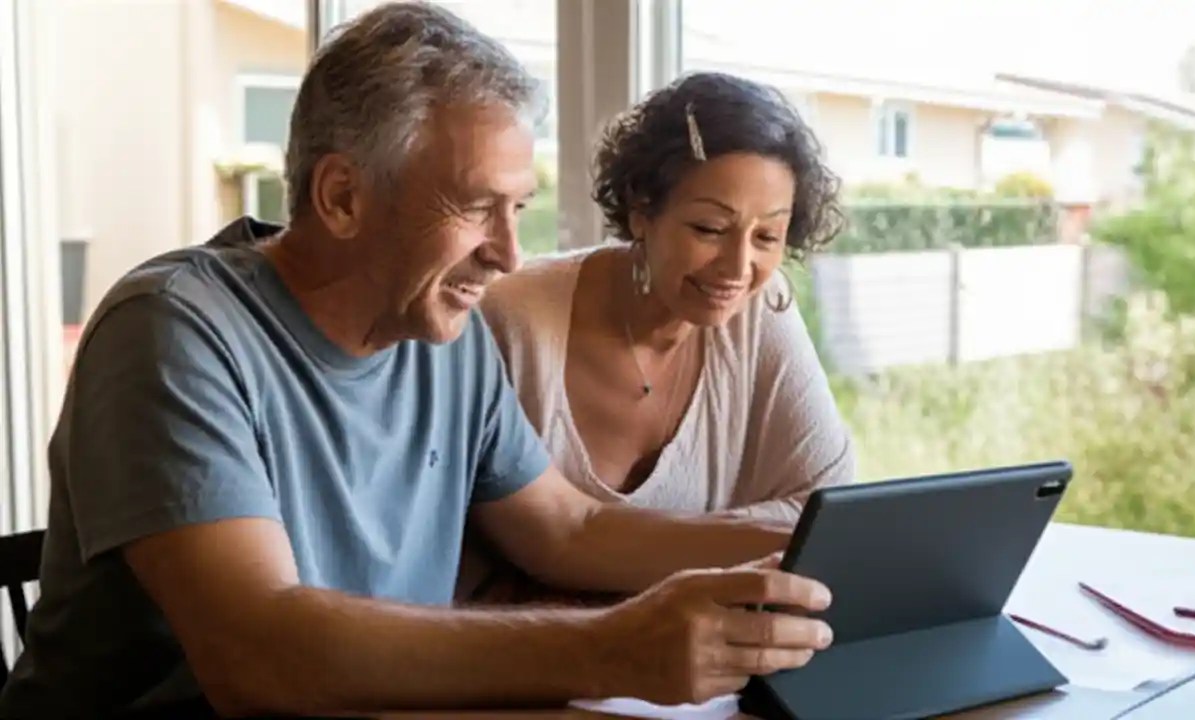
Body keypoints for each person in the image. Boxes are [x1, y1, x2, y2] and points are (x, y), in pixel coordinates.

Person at [0, 4, 835, 718]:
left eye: (517, 210)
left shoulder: (445, 334)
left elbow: (568, 528)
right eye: (477, 208)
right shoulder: (174, 331)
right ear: (341, 197)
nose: (509, 255)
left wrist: (797, 547)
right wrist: (617, 648)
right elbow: (257, 653)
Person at [462, 72, 856, 603]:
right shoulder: (507, 319)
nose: (738, 268)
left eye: (767, 237)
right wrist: (729, 545)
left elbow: (831, 512)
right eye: (709, 230)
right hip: (527, 658)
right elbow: (519, 544)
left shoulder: (762, 310)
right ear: (641, 210)